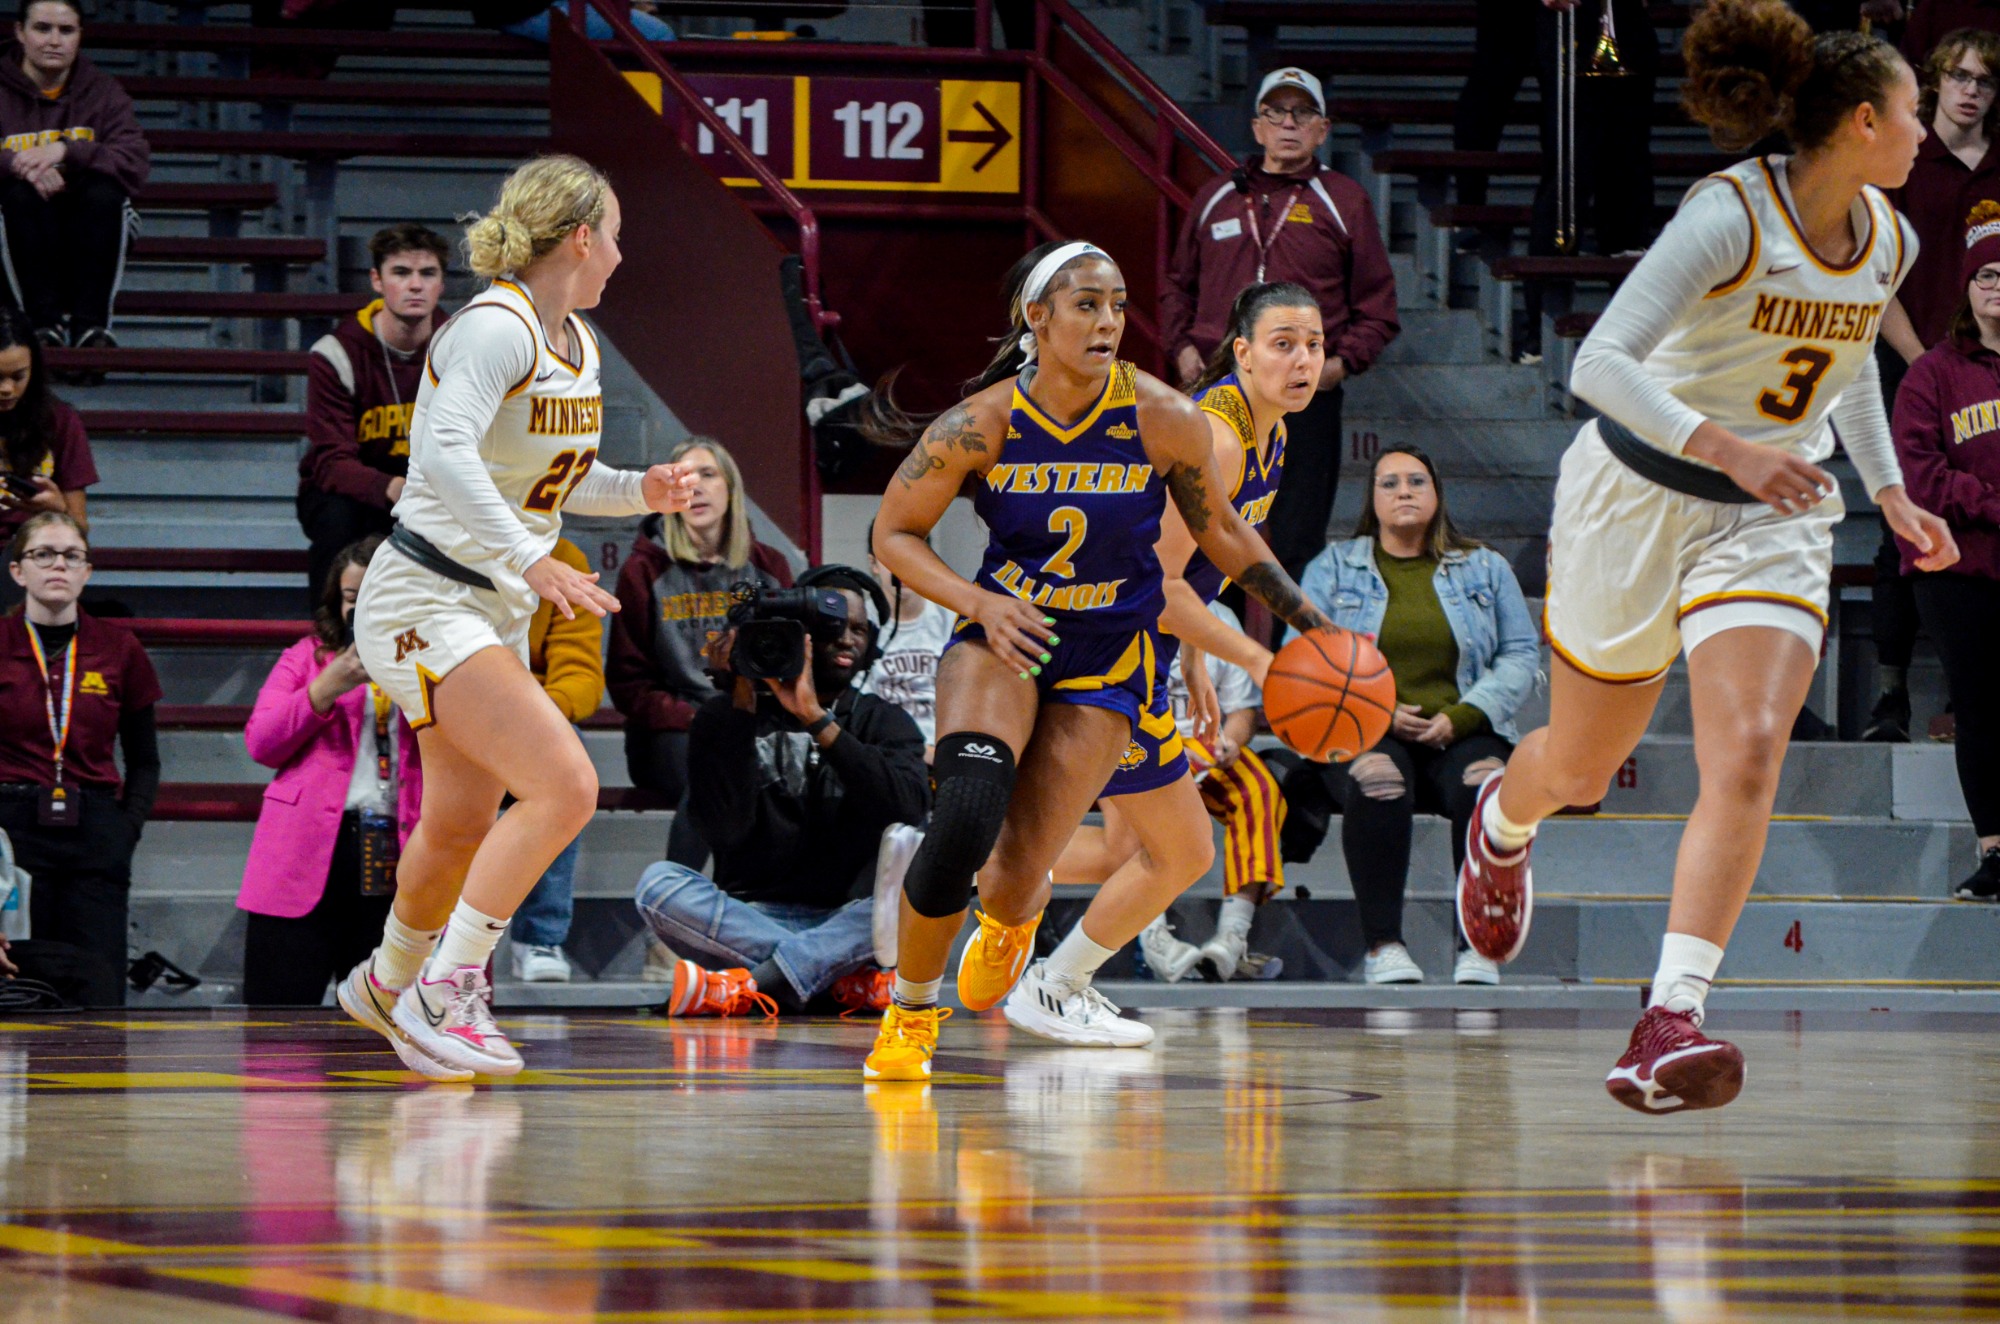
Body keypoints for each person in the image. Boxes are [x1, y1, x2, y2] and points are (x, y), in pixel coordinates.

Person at [1457, 0, 1956, 1114]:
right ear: (1865, 120)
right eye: (1915, 112)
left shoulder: (1890, 238)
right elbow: (1601, 361)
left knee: (1745, 748)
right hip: (1637, 490)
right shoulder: (1726, 217)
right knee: (1580, 768)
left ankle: (1667, 1012)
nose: (1928, 133)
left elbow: (1848, 363)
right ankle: (1502, 821)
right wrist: (1727, 448)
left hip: (1771, 515)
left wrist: (1886, 488)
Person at [863, 239, 1331, 1079]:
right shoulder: (983, 422)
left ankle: (1015, 924)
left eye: (1117, 304)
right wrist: (975, 602)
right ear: (1036, 319)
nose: (1108, 320)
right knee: (965, 815)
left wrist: (1312, 626)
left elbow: (1220, 536)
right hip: (1008, 634)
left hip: (1109, 656)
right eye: (1086, 304)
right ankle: (909, 1014)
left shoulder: (1165, 417)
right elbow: (892, 534)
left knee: (1013, 874)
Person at [333, 154, 699, 1082]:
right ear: (581, 237)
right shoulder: (495, 326)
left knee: (460, 819)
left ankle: (387, 980)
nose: (621, 254)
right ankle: (447, 990)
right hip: (424, 589)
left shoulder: (572, 337)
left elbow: (557, 486)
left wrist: (641, 490)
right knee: (567, 786)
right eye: (614, 233)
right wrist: (529, 558)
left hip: (480, 598)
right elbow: (443, 449)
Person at [1048, 281, 1322, 985]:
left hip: (1143, 643)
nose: (1303, 361)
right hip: (1102, 639)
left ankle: (1052, 978)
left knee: (1153, 849)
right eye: (1283, 345)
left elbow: (1214, 554)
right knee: (1169, 849)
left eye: (1314, 346)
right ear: (1242, 352)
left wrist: (1196, 659)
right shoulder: (1218, 436)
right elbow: (1161, 586)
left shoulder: (1274, 431)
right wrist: (1263, 662)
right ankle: (1034, 958)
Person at [1282, 445, 1539, 986]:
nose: (1404, 492)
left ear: (1436, 494)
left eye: (1417, 481)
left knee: (1486, 784)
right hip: (1361, 728)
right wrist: (1375, 707)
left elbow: (1520, 655)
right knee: (1380, 782)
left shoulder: (1485, 568)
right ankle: (1384, 947)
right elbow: (1301, 659)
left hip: (1461, 729)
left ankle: (1479, 948)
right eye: (1390, 483)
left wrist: (1467, 713)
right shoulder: (1332, 568)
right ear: (1372, 499)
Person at [635, 566, 929, 1018]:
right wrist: (739, 704)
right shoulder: (723, 717)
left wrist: (817, 720)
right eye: (833, 627)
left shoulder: (883, 721)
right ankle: (832, 982)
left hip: (848, 920)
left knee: (932, 877)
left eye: (859, 630)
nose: (848, 640)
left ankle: (756, 984)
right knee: (658, 885)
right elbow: (725, 830)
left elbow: (907, 808)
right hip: (746, 919)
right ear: (801, 634)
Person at [1161, 68, 1400, 582]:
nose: (1288, 123)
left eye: (1303, 112)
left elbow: (1378, 304)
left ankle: (1287, 662)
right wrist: (1180, 347)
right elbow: (1177, 284)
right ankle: (1214, 660)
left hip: (1303, 397)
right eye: (1276, 111)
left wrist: (1339, 365)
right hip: (1217, 395)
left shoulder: (1344, 201)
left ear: (1323, 129)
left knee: (1297, 541)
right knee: (1207, 534)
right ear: (1257, 127)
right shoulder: (1214, 197)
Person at [1870, 28, 2000, 740]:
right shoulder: (1904, 164)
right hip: (1914, 358)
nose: (1971, 90)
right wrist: (1925, 362)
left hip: (1994, 366)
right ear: (1936, 82)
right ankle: (1890, 693)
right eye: (1959, 76)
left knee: (1987, 523)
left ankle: (1969, 699)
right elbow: (1874, 277)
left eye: (1984, 81)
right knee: (1905, 527)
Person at [1061, 601, 1292, 984]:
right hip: (1131, 739)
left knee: (1259, 787)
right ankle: (1149, 937)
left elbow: (1242, 712)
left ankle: (1233, 936)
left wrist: (1228, 743)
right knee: (1124, 837)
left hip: (1202, 746)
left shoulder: (1218, 615)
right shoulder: (1118, 607)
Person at [237, 537, 424, 1008]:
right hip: (305, 852)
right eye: (352, 598)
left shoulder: (436, 662)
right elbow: (261, 743)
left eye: (378, 595)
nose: (364, 609)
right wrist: (326, 686)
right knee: (276, 1029)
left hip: (404, 851)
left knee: (388, 1032)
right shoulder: (306, 657)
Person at [607, 436, 791, 865]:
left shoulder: (769, 567)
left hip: (751, 723)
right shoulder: (643, 570)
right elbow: (629, 686)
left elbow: (786, 661)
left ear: (731, 488)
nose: (696, 486)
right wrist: (701, 719)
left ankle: (754, 909)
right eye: (683, 478)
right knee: (715, 772)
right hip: (670, 733)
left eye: (707, 475)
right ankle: (675, 914)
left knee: (761, 774)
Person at [1888, 204, 2000, 899]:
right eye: (1987, 274)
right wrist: (1993, 503)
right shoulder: (1932, 373)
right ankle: (1996, 848)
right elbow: (1918, 475)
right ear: (1967, 286)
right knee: (1984, 707)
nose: (1998, 285)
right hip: (1960, 573)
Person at [0, 512, 158, 1005]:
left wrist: (124, 828)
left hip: (94, 831)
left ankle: (99, 1084)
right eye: (43, 554)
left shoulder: (118, 648)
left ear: (87, 571)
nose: (58, 566)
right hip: (11, 831)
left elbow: (145, 759)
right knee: (21, 977)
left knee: (98, 982)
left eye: (71, 556)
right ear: (17, 571)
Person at [298, 224, 451, 607]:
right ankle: (330, 644)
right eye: (401, 273)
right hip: (355, 490)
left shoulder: (460, 348)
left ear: (441, 284)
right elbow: (332, 462)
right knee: (337, 522)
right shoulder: (336, 353)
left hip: (433, 485)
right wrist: (392, 488)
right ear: (377, 281)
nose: (415, 285)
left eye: (427, 274)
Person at [0, 0, 148, 349]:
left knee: (106, 195)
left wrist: (66, 151)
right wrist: (19, 166)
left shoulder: (103, 92)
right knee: (17, 196)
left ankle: (92, 329)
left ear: (80, 36)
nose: (54, 40)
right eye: (42, 28)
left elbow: (134, 158)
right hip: (14, 234)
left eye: (66, 30)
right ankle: (38, 328)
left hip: (85, 234)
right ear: (20, 32)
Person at [508, 535, 605, 984]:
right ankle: (432, 929)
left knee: (566, 759)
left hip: (535, 710)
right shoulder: (448, 543)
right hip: (455, 701)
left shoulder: (567, 558)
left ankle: (539, 935)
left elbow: (580, 671)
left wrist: (536, 717)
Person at [0, 304, 92, 546]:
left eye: (19, 376)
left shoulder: (59, 420)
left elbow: (80, 529)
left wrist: (56, 510)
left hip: (31, 553)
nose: (7, 389)